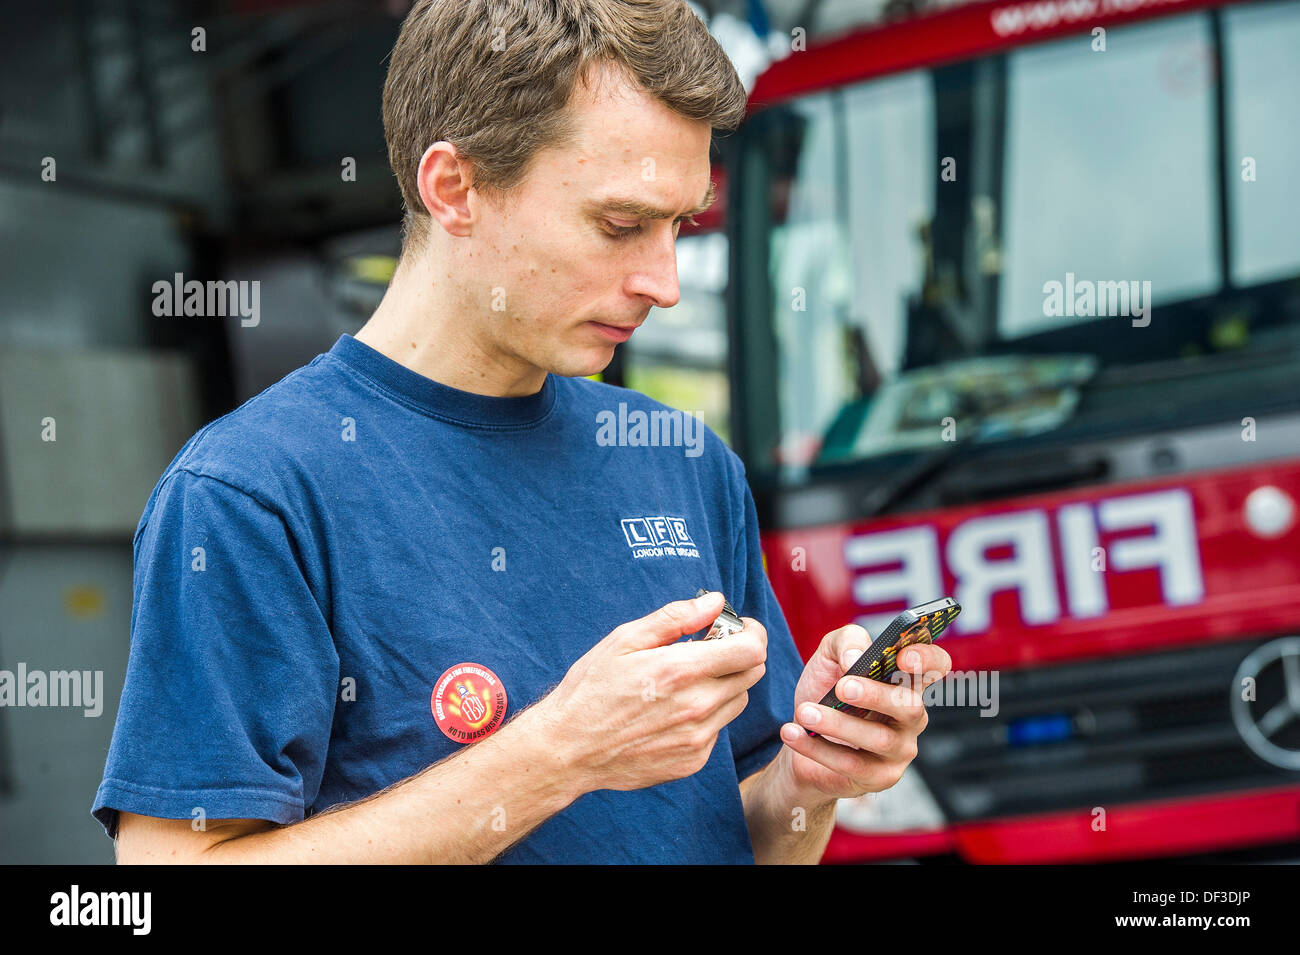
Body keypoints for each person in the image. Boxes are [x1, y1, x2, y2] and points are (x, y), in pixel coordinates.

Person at [92, 0, 951, 864]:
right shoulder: (252, 495)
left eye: (679, 225)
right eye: (620, 225)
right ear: (454, 189)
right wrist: (560, 752)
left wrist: (810, 782)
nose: (664, 282)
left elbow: (746, 839)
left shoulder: (684, 464)